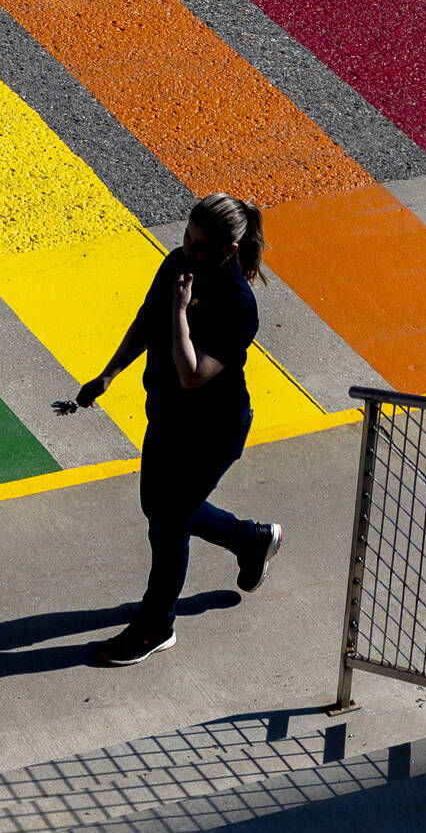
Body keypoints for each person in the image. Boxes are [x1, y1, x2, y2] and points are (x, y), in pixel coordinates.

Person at [68, 192, 284, 666]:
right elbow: (146, 322)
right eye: (186, 236)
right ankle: (250, 539)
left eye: (202, 245)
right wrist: (109, 373)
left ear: (228, 249)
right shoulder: (178, 264)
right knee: (159, 508)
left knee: (168, 526)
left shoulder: (237, 304)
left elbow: (192, 376)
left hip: (212, 430)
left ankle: (155, 627)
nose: (189, 249)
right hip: (165, 417)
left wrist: (182, 311)